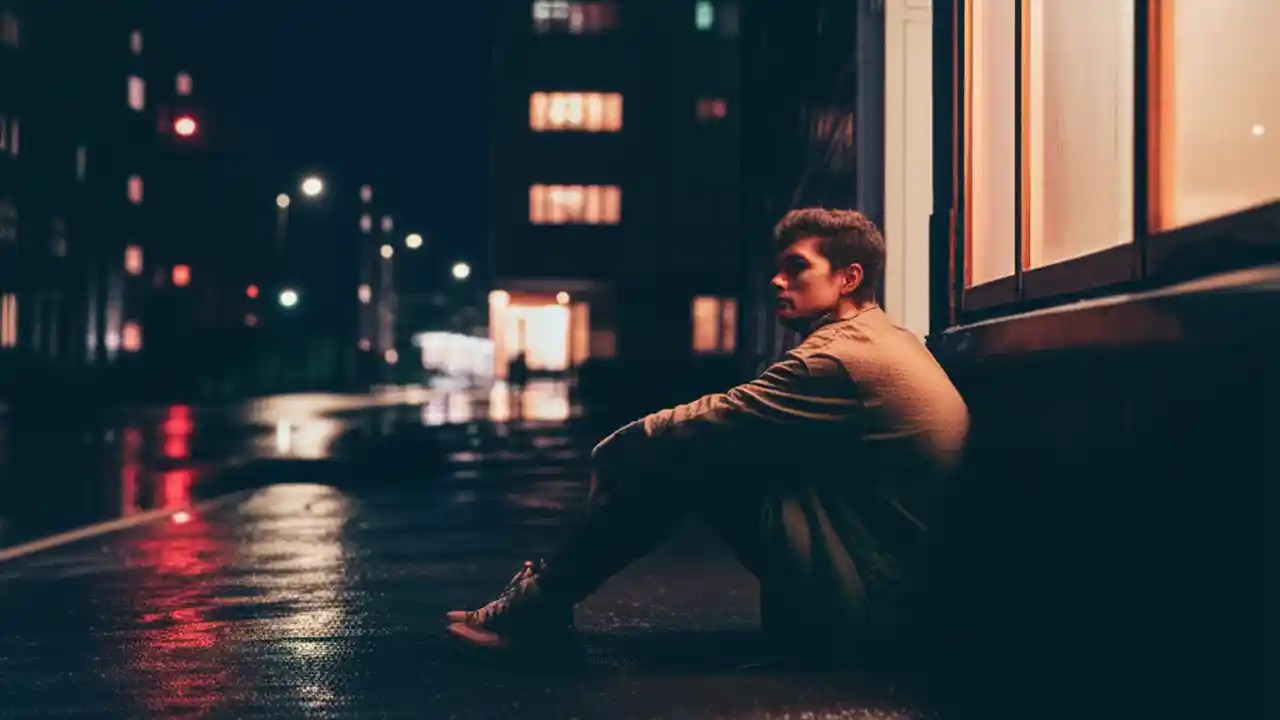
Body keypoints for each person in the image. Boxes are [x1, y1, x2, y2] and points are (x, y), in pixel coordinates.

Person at [446, 208, 970, 662]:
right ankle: (542, 600)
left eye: (797, 268)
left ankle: (539, 608)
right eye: (778, 268)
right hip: (904, 583)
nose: (776, 281)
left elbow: (716, 416)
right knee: (705, 451)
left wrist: (616, 448)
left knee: (683, 459)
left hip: (877, 606)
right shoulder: (886, 338)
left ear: (848, 278)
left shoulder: (836, 359)